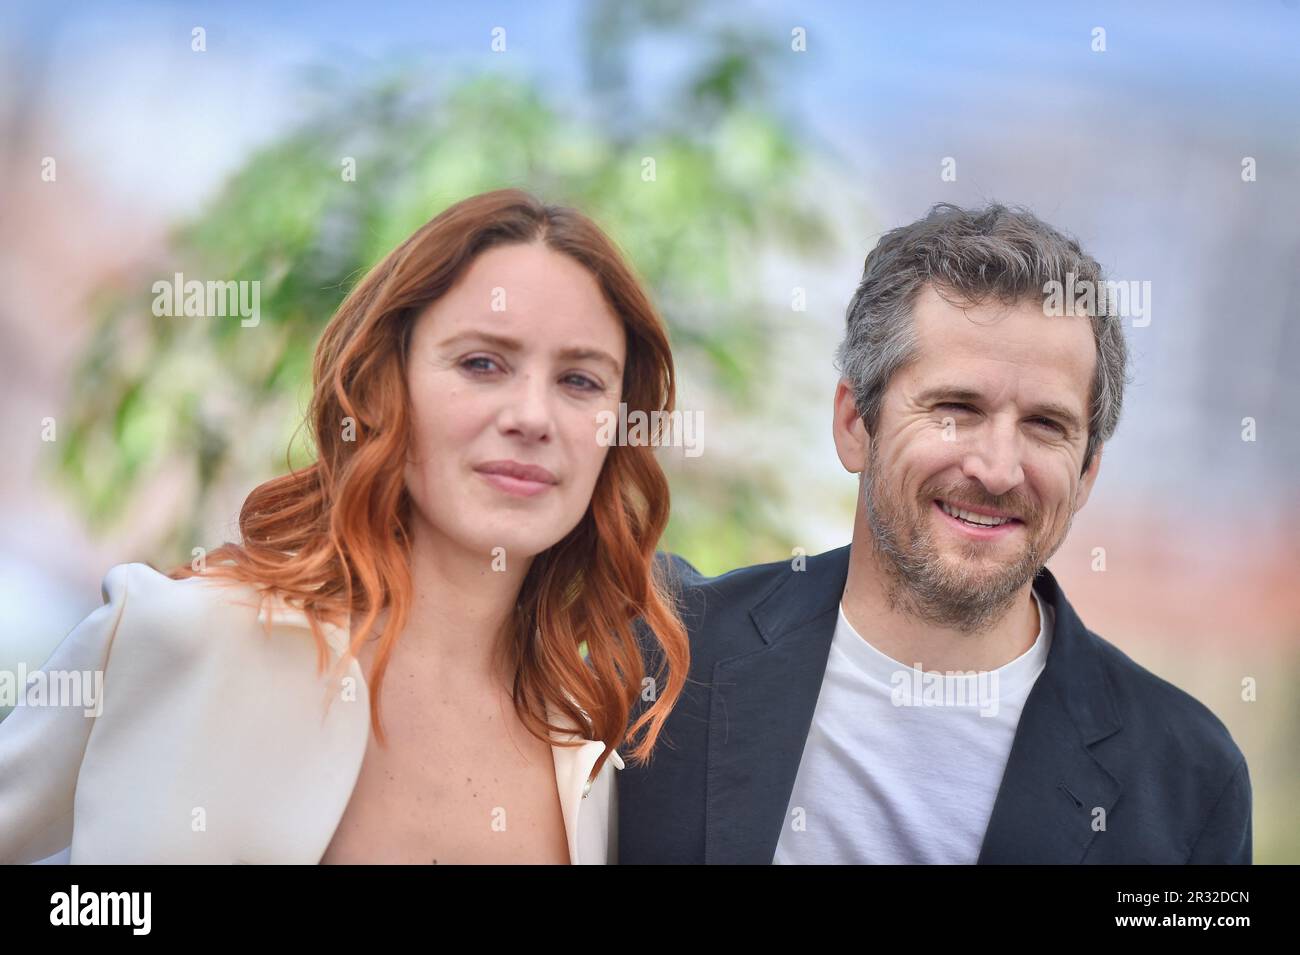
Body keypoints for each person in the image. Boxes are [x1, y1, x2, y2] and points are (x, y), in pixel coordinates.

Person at [0, 188, 689, 864]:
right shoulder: (192, 635)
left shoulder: (593, 749)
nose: (532, 416)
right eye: (483, 363)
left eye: (580, 381)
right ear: (385, 386)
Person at [620, 202, 1252, 864]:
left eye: (1045, 425)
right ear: (854, 424)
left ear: (1088, 470)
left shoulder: (1188, 781)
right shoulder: (667, 652)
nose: (998, 468)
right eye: (956, 408)